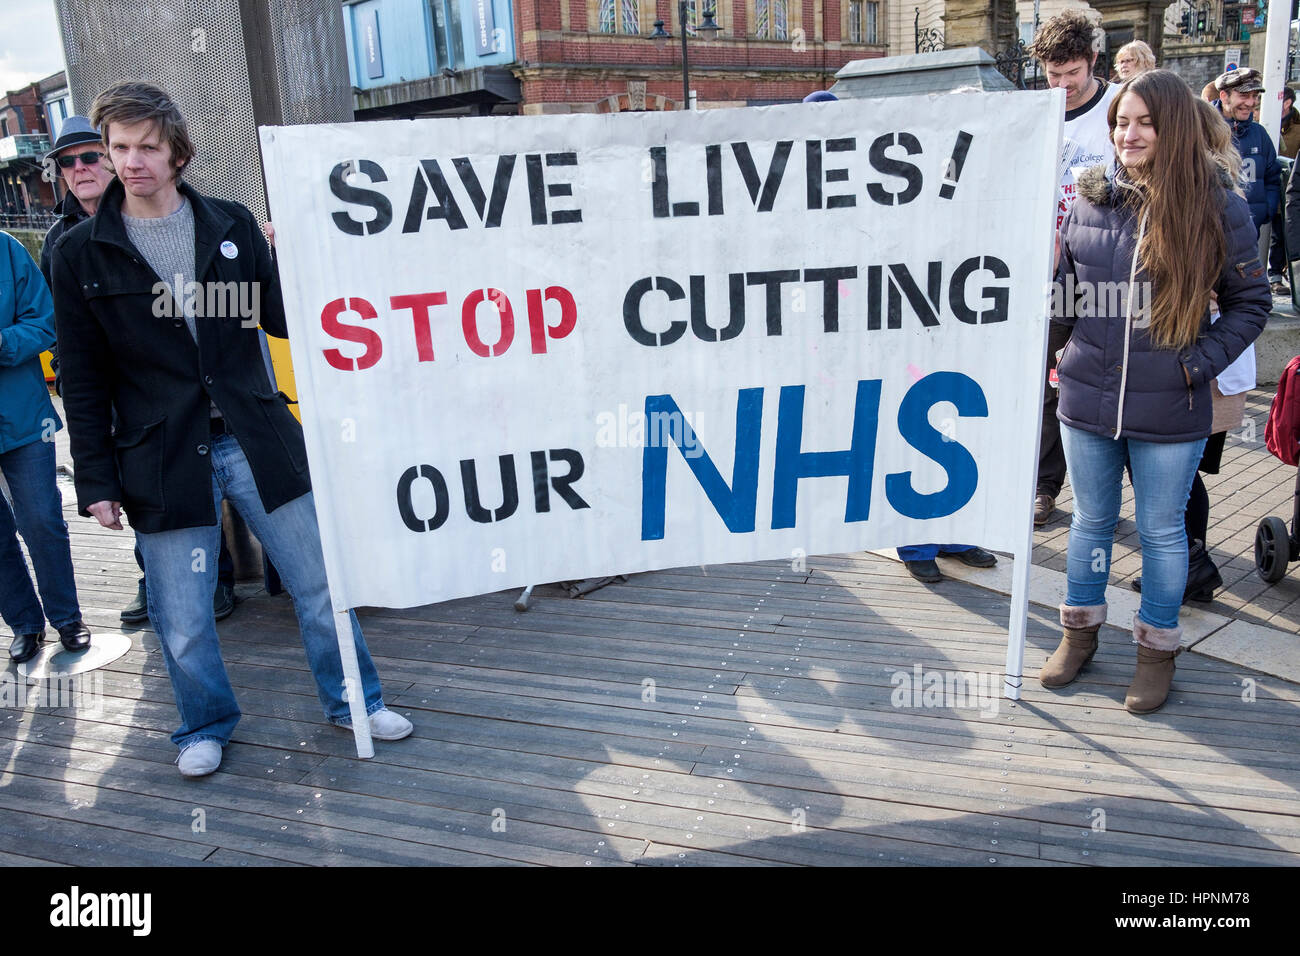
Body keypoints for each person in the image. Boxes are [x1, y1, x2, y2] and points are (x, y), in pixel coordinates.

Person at [49, 81, 412, 777]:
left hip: (255, 435)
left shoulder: (230, 225)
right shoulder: (79, 254)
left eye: (145, 147)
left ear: (176, 151)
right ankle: (204, 726)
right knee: (181, 616)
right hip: (160, 453)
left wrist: (293, 252)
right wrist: (95, 478)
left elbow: (278, 318)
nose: (130, 162)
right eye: (116, 148)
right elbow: (84, 377)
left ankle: (355, 703)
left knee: (320, 587)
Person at [1043, 69, 1270, 714]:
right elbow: (1067, 290)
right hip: (1085, 397)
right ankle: (1079, 633)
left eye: (1144, 122)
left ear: (1172, 127)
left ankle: (1155, 651)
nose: (1130, 134)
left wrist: (1195, 365)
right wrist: (1048, 351)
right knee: (1088, 523)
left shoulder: (1215, 203)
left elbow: (1251, 302)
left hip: (1172, 401)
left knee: (1163, 531)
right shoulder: (1092, 199)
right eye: (1120, 122)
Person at [40, 116, 239, 625]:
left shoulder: (173, 220)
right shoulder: (62, 242)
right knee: (145, 496)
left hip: (176, 396)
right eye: (68, 161)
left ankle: (214, 580)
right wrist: (71, 372)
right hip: (110, 395)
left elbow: (223, 309)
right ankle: (157, 577)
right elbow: (65, 328)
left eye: (89, 156)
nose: (81, 168)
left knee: (189, 478)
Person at [1028, 9, 1120, 528]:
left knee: (1095, 377)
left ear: (1092, 60)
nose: (1061, 86)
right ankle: (1045, 485)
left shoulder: (1117, 109)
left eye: (1071, 75)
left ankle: (1101, 492)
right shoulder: (1037, 109)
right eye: (1052, 75)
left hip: (1101, 271)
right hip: (1047, 273)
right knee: (1047, 378)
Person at [0, 231, 92, 662]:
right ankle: (24, 624)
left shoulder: (7, 249)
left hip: (22, 417)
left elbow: (44, 322)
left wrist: (2, 343)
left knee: (41, 520)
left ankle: (67, 618)